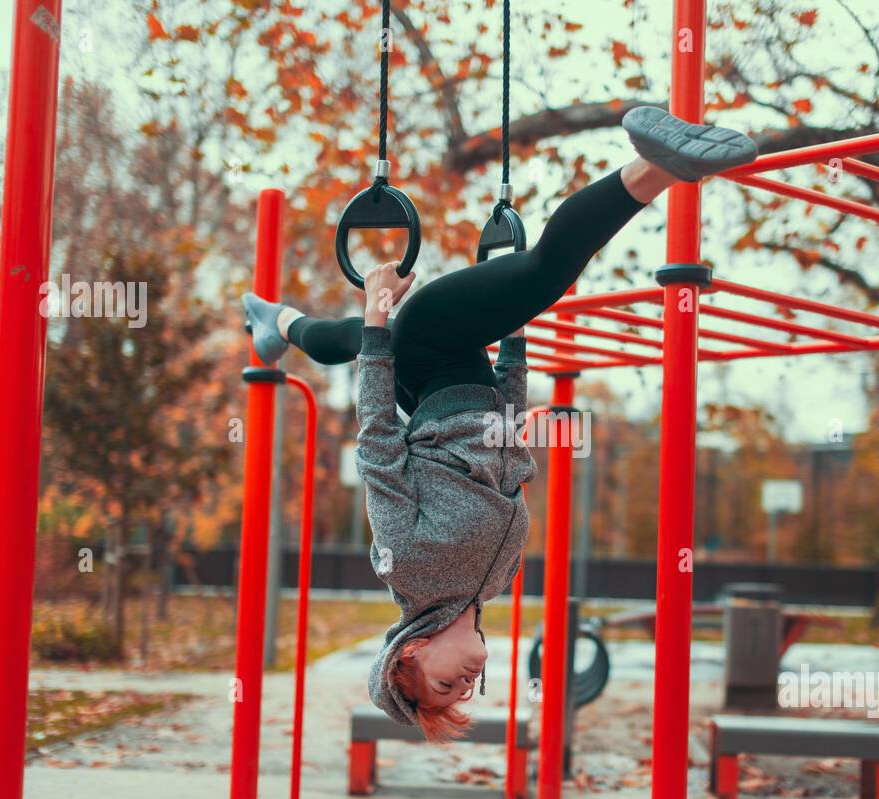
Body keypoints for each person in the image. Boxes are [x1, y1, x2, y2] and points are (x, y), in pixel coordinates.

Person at [242, 107, 760, 740]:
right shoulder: (496, 581)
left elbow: (377, 447)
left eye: (443, 683)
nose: (465, 680)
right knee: (353, 336)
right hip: (470, 376)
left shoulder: (404, 566)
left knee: (546, 272)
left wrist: (378, 320)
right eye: (466, 690)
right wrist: (513, 349)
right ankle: (281, 325)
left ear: (408, 652)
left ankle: (654, 167)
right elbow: (508, 451)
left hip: (427, 353)